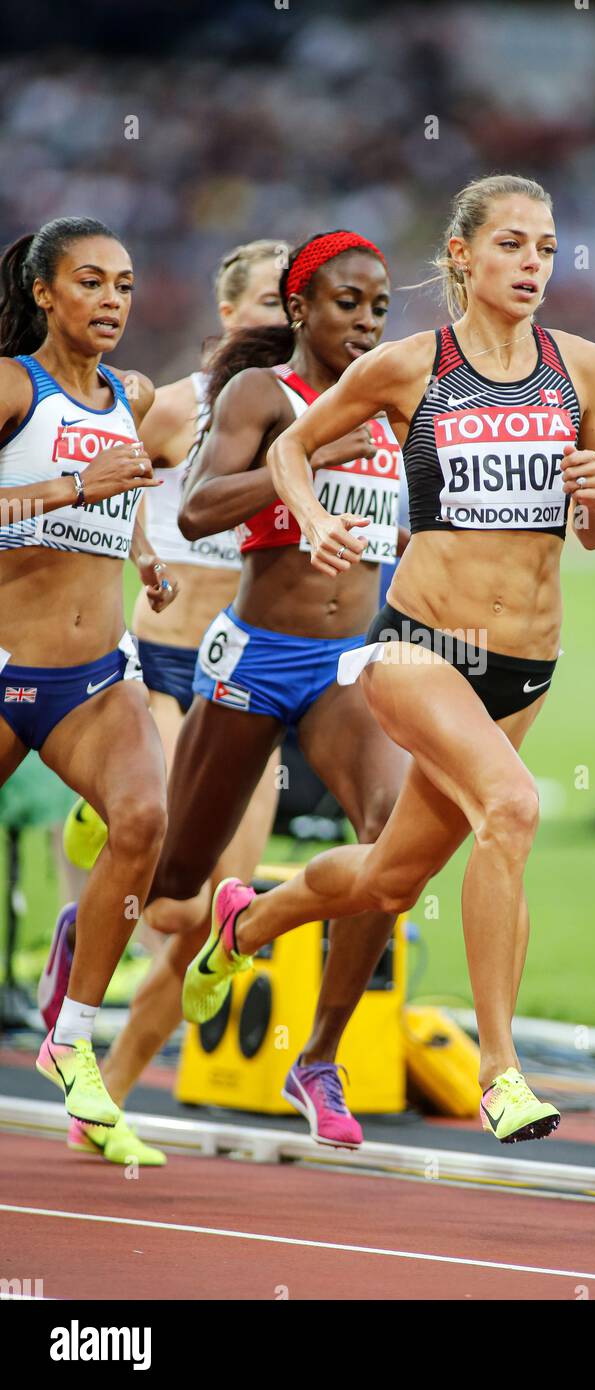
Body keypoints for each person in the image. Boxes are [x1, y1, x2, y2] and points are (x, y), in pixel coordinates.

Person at [183, 174, 595, 1144]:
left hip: (525, 666)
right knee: (510, 808)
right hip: (416, 647)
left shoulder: (581, 366)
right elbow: (293, 447)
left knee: (389, 881)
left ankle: (245, 924)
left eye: (544, 249)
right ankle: (500, 1072)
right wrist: (312, 515)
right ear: (460, 256)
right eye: (510, 245)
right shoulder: (408, 366)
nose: (531, 266)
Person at [146, 228, 410, 1147]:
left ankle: (319, 1056)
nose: (367, 323)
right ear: (300, 310)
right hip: (255, 658)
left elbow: (425, 526)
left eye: (380, 306)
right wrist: (301, 465)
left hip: (347, 669)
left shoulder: (393, 401)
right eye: (348, 304)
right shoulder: (264, 392)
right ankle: (95, 920)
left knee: (395, 845)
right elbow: (197, 507)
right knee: (173, 884)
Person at [42, 241, 288, 1166]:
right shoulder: (180, 403)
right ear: (227, 315)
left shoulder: (308, 408)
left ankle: (103, 1102)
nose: (281, 317)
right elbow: (110, 473)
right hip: (164, 659)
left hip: (252, 669)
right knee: (167, 901)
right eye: (266, 300)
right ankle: (97, 816)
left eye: (292, 304)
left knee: (209, 917)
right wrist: (138, 560)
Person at [0, 216, 178, 1128]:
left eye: (125, 284)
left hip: (94, 679)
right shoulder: (8, 387)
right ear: (43, 293)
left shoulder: (132, 393)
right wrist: (78, 488)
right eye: (91, 283)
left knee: (144, 820)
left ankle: (70, 1035)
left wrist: (142, 551)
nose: (112, 301)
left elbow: (126, 481)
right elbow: (90, 481)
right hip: (3, 665)